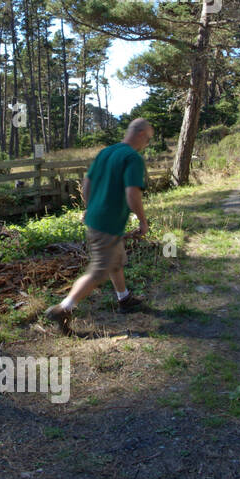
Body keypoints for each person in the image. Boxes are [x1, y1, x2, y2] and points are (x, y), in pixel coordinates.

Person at [50, 118, 152, 333]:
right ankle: (63, 309)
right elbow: (132, 193)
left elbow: (87, 183)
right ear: (141, 134)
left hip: (100, 219)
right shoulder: (133, 158)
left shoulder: (106, 152)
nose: (147, 144)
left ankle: (124, 299)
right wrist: (143, 220)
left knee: (116, 261)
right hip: (107, 223)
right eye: (149, 139)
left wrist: (91, 206)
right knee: (99, 271)